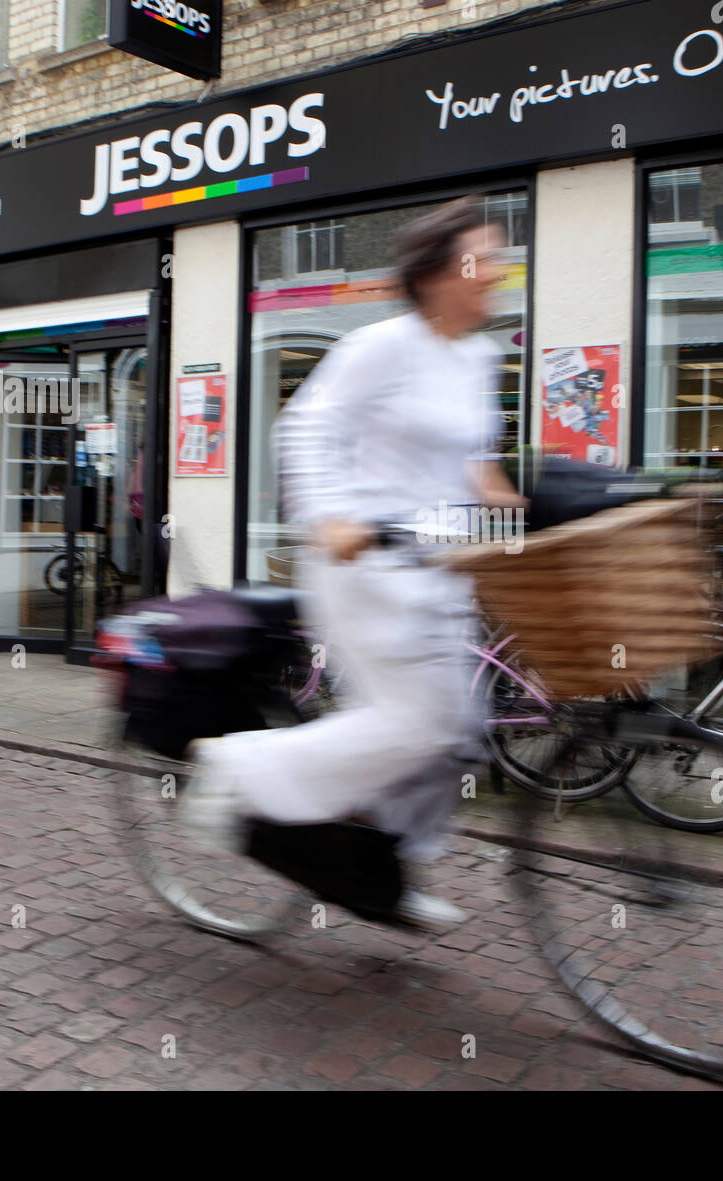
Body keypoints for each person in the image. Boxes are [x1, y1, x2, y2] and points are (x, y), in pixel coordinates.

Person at [187, 197, 526, 929]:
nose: (496, 269)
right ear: (436, 273)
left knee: (461, 731)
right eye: (481, 257)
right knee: (422, 722)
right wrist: (330, 516)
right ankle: (240, 768)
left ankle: (377, 872)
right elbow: (307, 427)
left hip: (438, 572)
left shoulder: (478, 355)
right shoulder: (383, 346)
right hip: (365, 567)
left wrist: (520, 522)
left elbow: (475, 464)